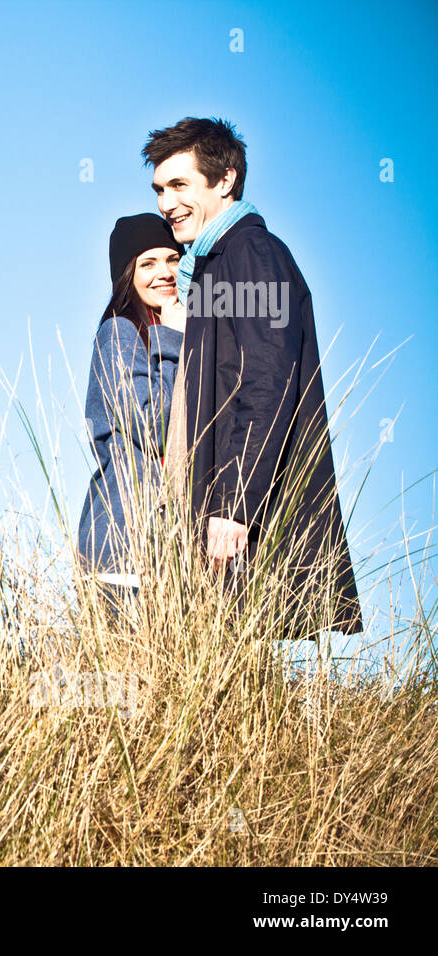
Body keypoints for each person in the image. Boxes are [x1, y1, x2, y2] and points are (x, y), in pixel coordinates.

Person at [145, 116, 363, 637]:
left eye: (180, 185)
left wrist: (232, 503)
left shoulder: (250, 253)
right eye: (159, 189)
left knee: (226, 672)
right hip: (215, 511)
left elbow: (267, 380)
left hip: (237, 512)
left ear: (225, 180)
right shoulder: (214, 266)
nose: (166, 203)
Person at [76, 213, 187, 617]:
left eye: (173, 259)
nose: (165, 273)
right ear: (128, 273)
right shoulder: (119, 332)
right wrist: (171, 339)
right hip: (121, 546)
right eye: (149, 263)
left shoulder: (172, 332)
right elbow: (148, 424)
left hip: (161, 551)